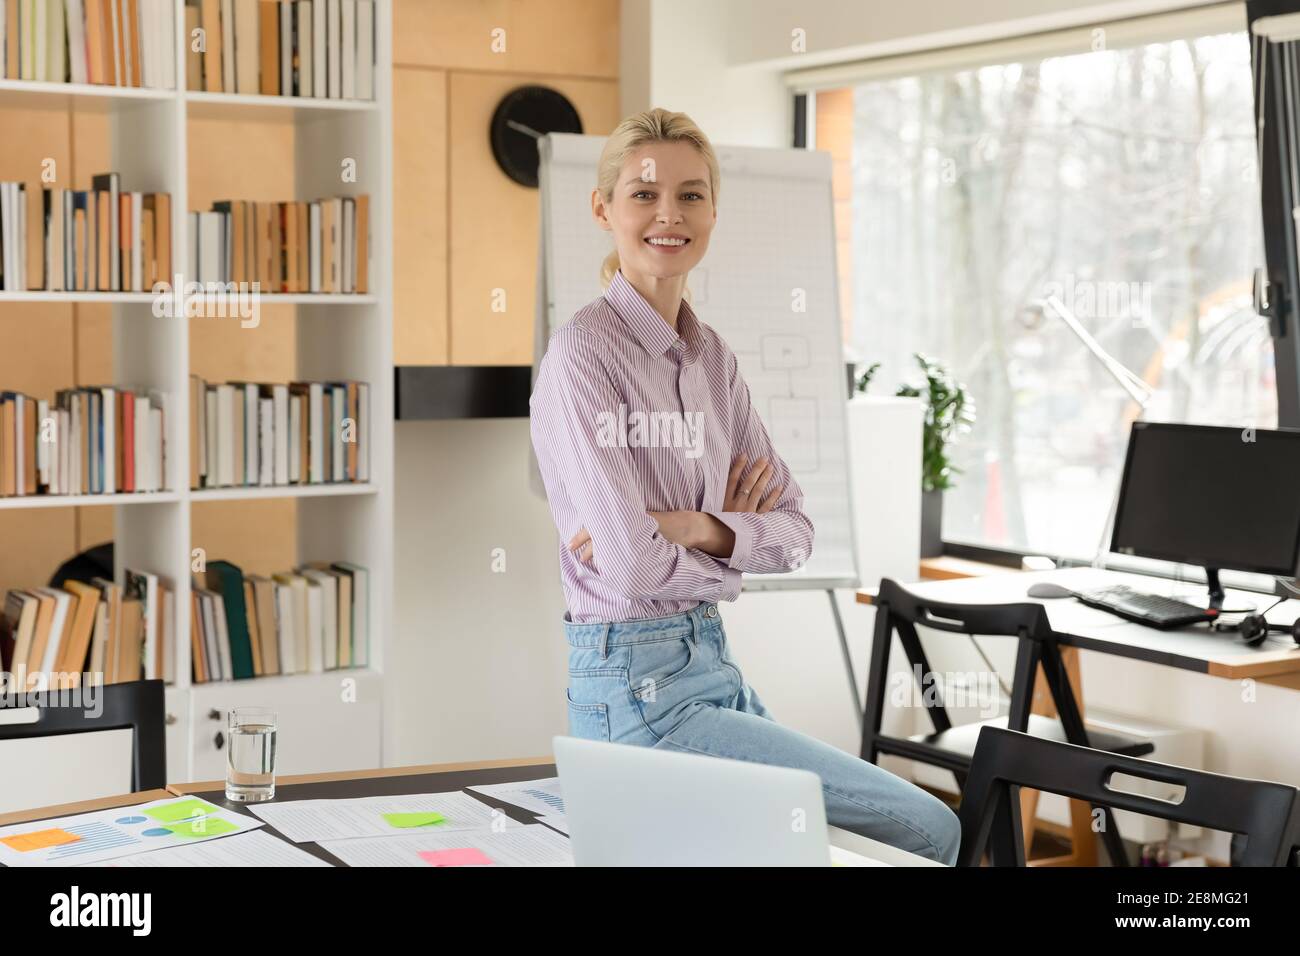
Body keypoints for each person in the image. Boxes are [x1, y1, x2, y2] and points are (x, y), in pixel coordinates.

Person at [529, 107, 961, 864]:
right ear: (603, 209)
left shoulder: (713, 361)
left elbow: (796, 534)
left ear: (714, 212)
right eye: (644, 194)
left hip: (709, 665)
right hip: (638, 688)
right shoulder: (582, 357)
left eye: (692, 196)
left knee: (804, 851)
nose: (670, 214)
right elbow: (627, 568)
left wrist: (696, 526)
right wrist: (729, 559)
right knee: (932, 828)